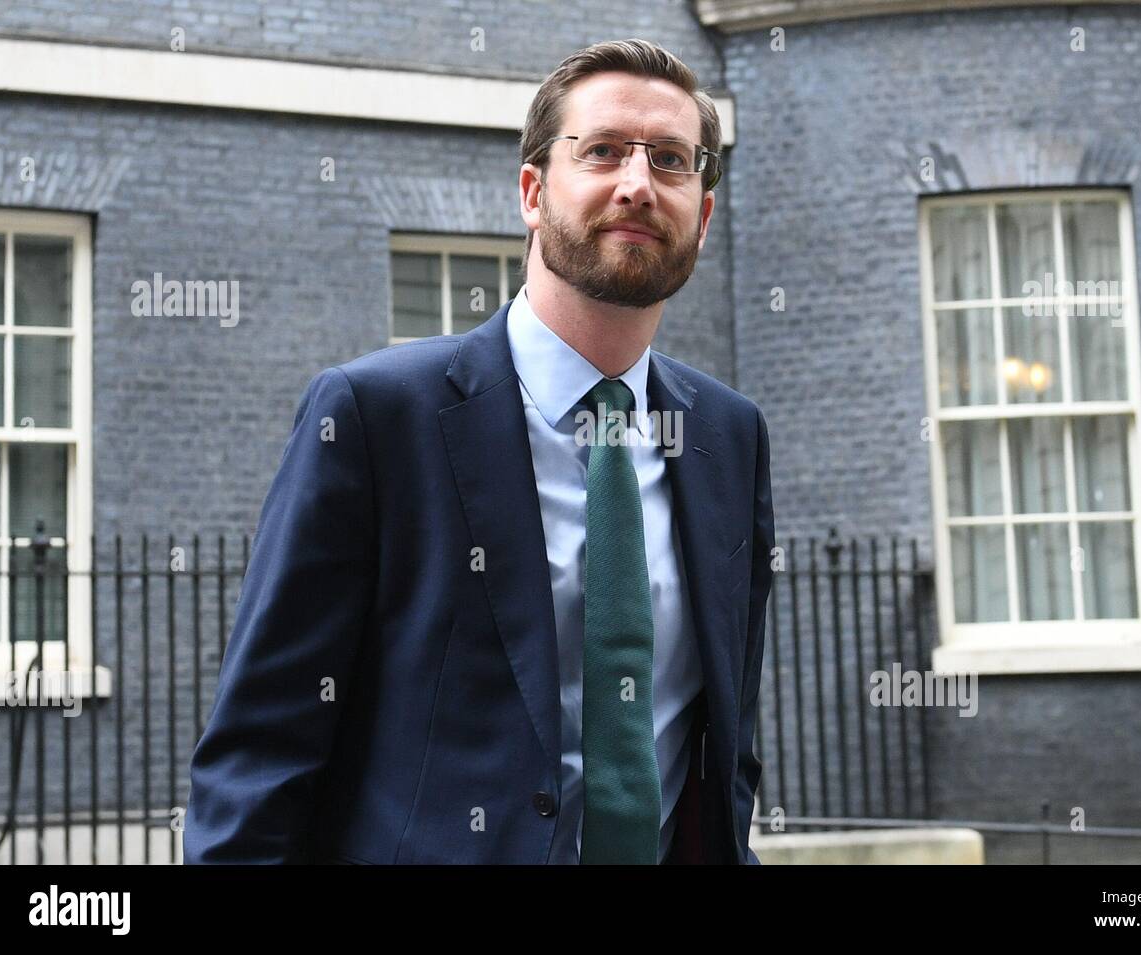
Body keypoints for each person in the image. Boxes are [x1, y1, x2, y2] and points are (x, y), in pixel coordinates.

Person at [184, 37, 774, 865]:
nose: (637, 184)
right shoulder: (374, 415)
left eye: (672, 161)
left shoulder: (729, 434)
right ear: (533, 192)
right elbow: (258, 755)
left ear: (703, 216)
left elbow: (724, 751)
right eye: (601, 150)